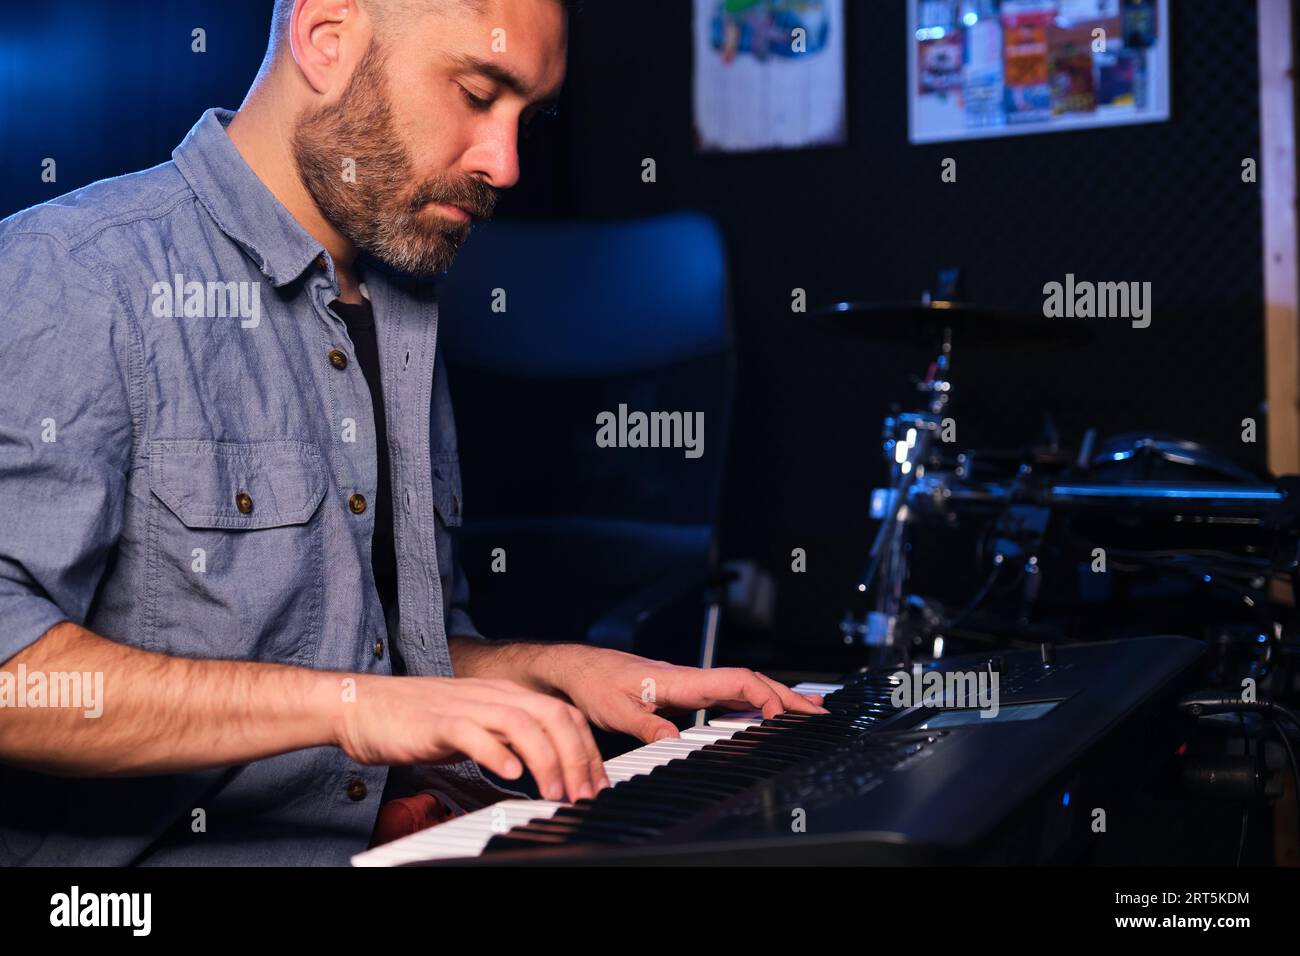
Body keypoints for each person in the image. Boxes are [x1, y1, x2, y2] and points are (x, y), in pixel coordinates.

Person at [0, 0, 825, 866]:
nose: (506, 166)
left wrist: (554, 671)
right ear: (327, 40)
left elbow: (393, 661)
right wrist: (354, 706)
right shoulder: (74, 277)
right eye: (477, 93)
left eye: (527, 119)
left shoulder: (402, 306)